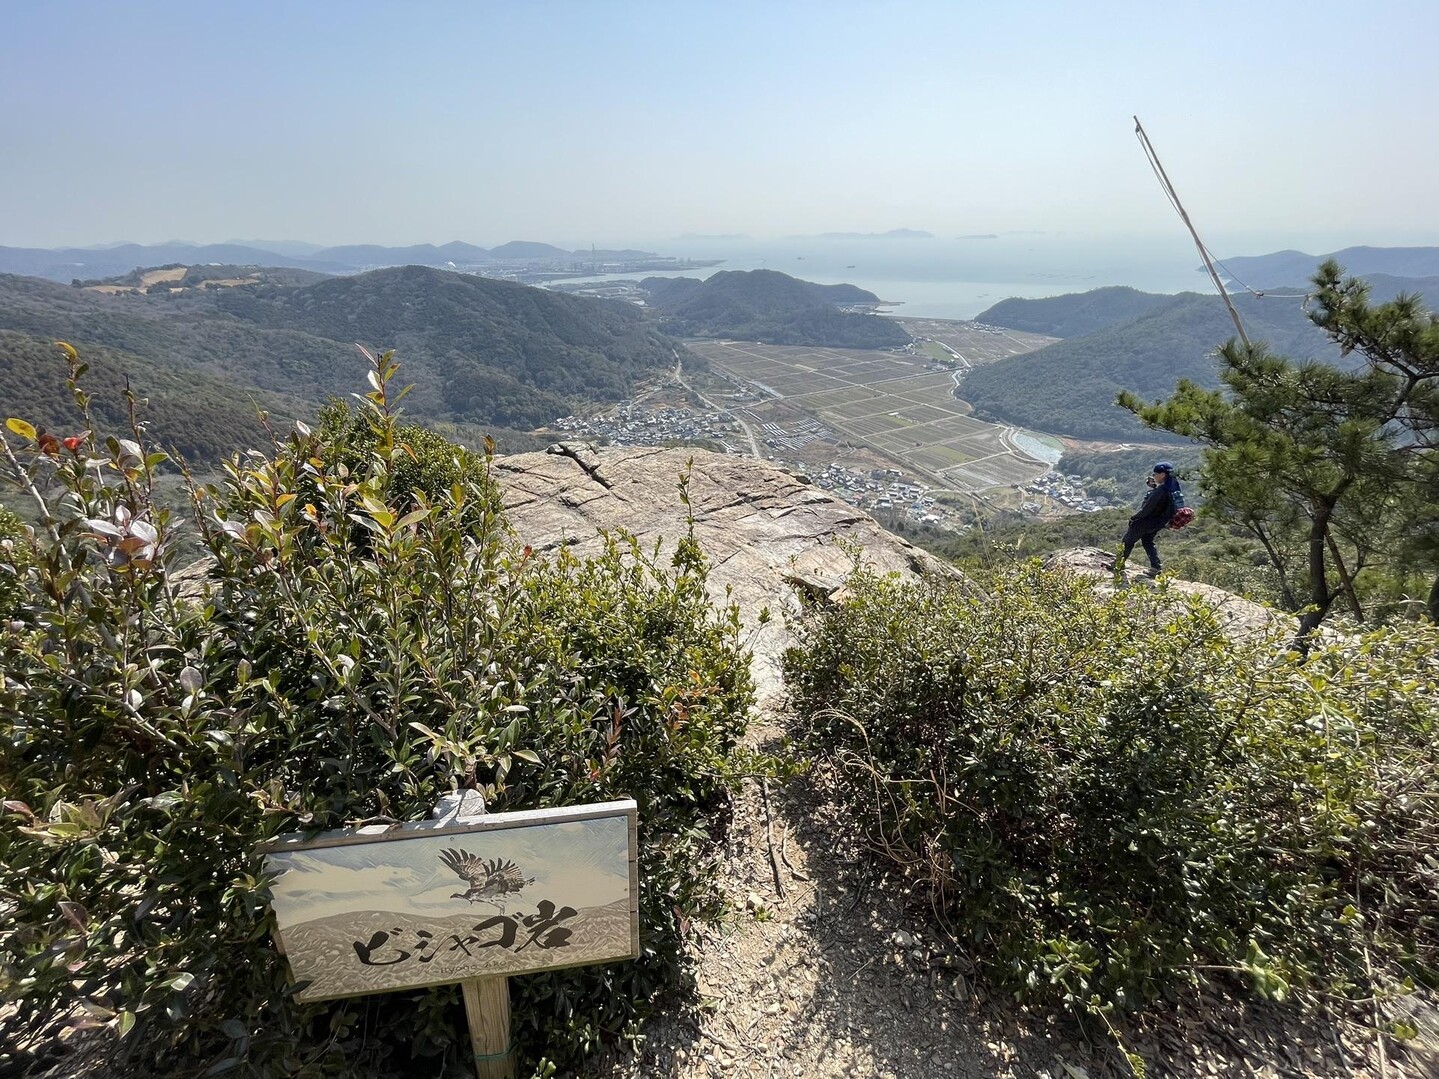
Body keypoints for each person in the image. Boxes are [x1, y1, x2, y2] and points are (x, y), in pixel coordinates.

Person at [1117, 462, 1181, 576]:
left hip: (1146, 521)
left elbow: (1147, 508)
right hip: (1159, 522)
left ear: (1162, 474)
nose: (1154, 476)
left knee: (1128, 540)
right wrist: (1154, 487)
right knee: (1147, 541)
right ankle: (1156, 567)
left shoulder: (1161, 491)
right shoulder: (1173, 487)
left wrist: (1134, 518)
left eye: (1155, 473)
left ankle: (1118, 564)